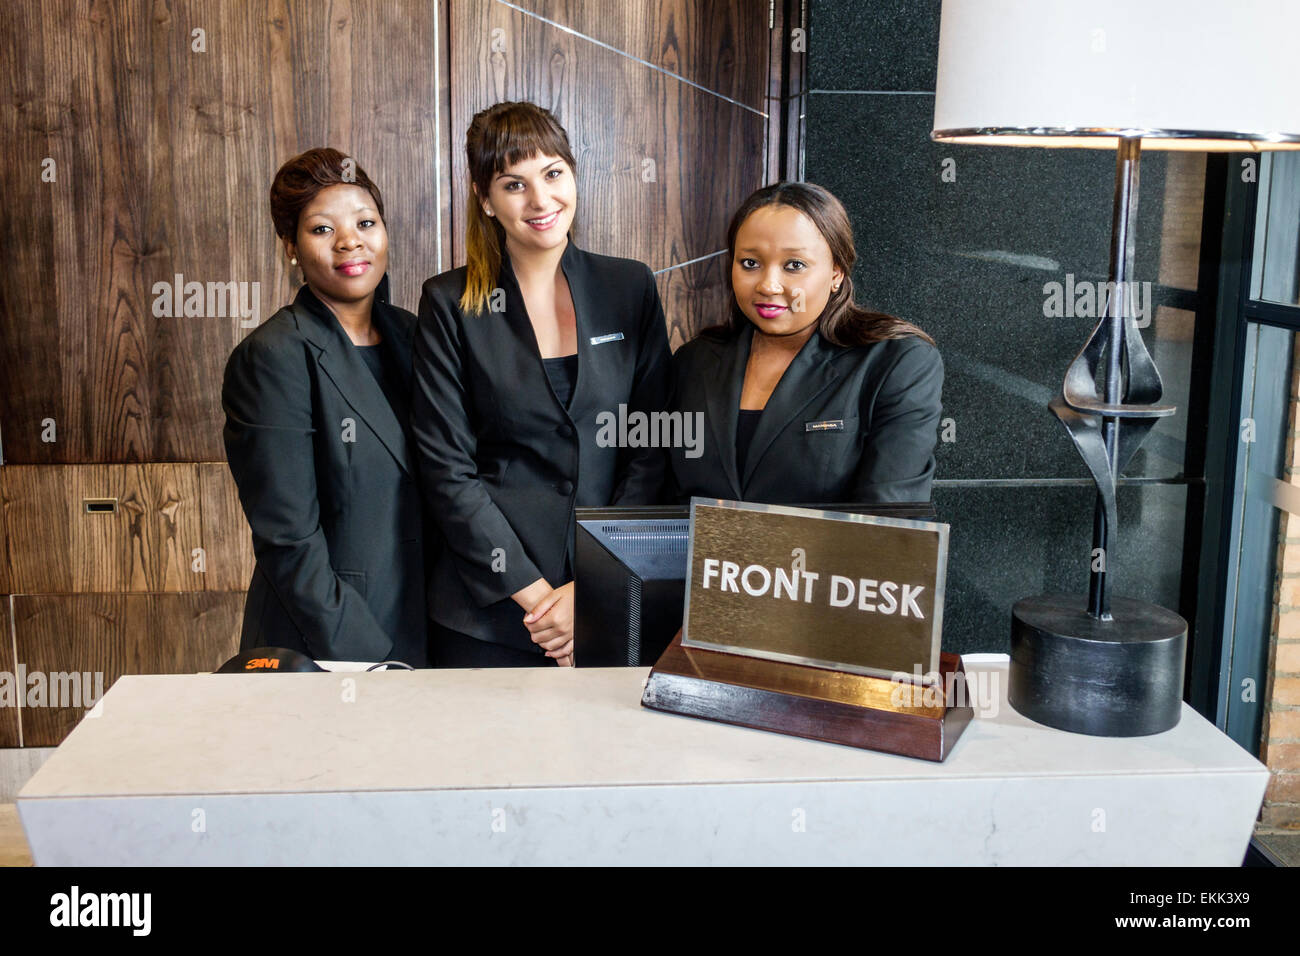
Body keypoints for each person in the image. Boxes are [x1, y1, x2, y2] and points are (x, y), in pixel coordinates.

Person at [412, 101, 671, 667]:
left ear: (573, 174)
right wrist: (537, 600)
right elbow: (446, 471)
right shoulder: (449, 303)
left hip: (604, 600)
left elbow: (651, 447)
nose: (540, 200)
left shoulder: (628, 287)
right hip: (485, 612)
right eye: (513, 184)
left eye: (553, 173)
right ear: (485, 200)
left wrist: (595, 585)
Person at [222, 148, 428, 666]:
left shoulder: (418, 336)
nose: (349, 241)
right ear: (290, 247)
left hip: (427, 630)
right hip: (331, 644)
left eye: (365, 221)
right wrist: (369, 656)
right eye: (321, 229)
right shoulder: (273, 357)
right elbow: (288, 540)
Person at [668, 181, 942, 504]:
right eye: (750, 264)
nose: (768, 285)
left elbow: (888, 525)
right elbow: (665, 502)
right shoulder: (693, 362)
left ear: (836, 273)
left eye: (794, 265)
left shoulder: (897, 362)